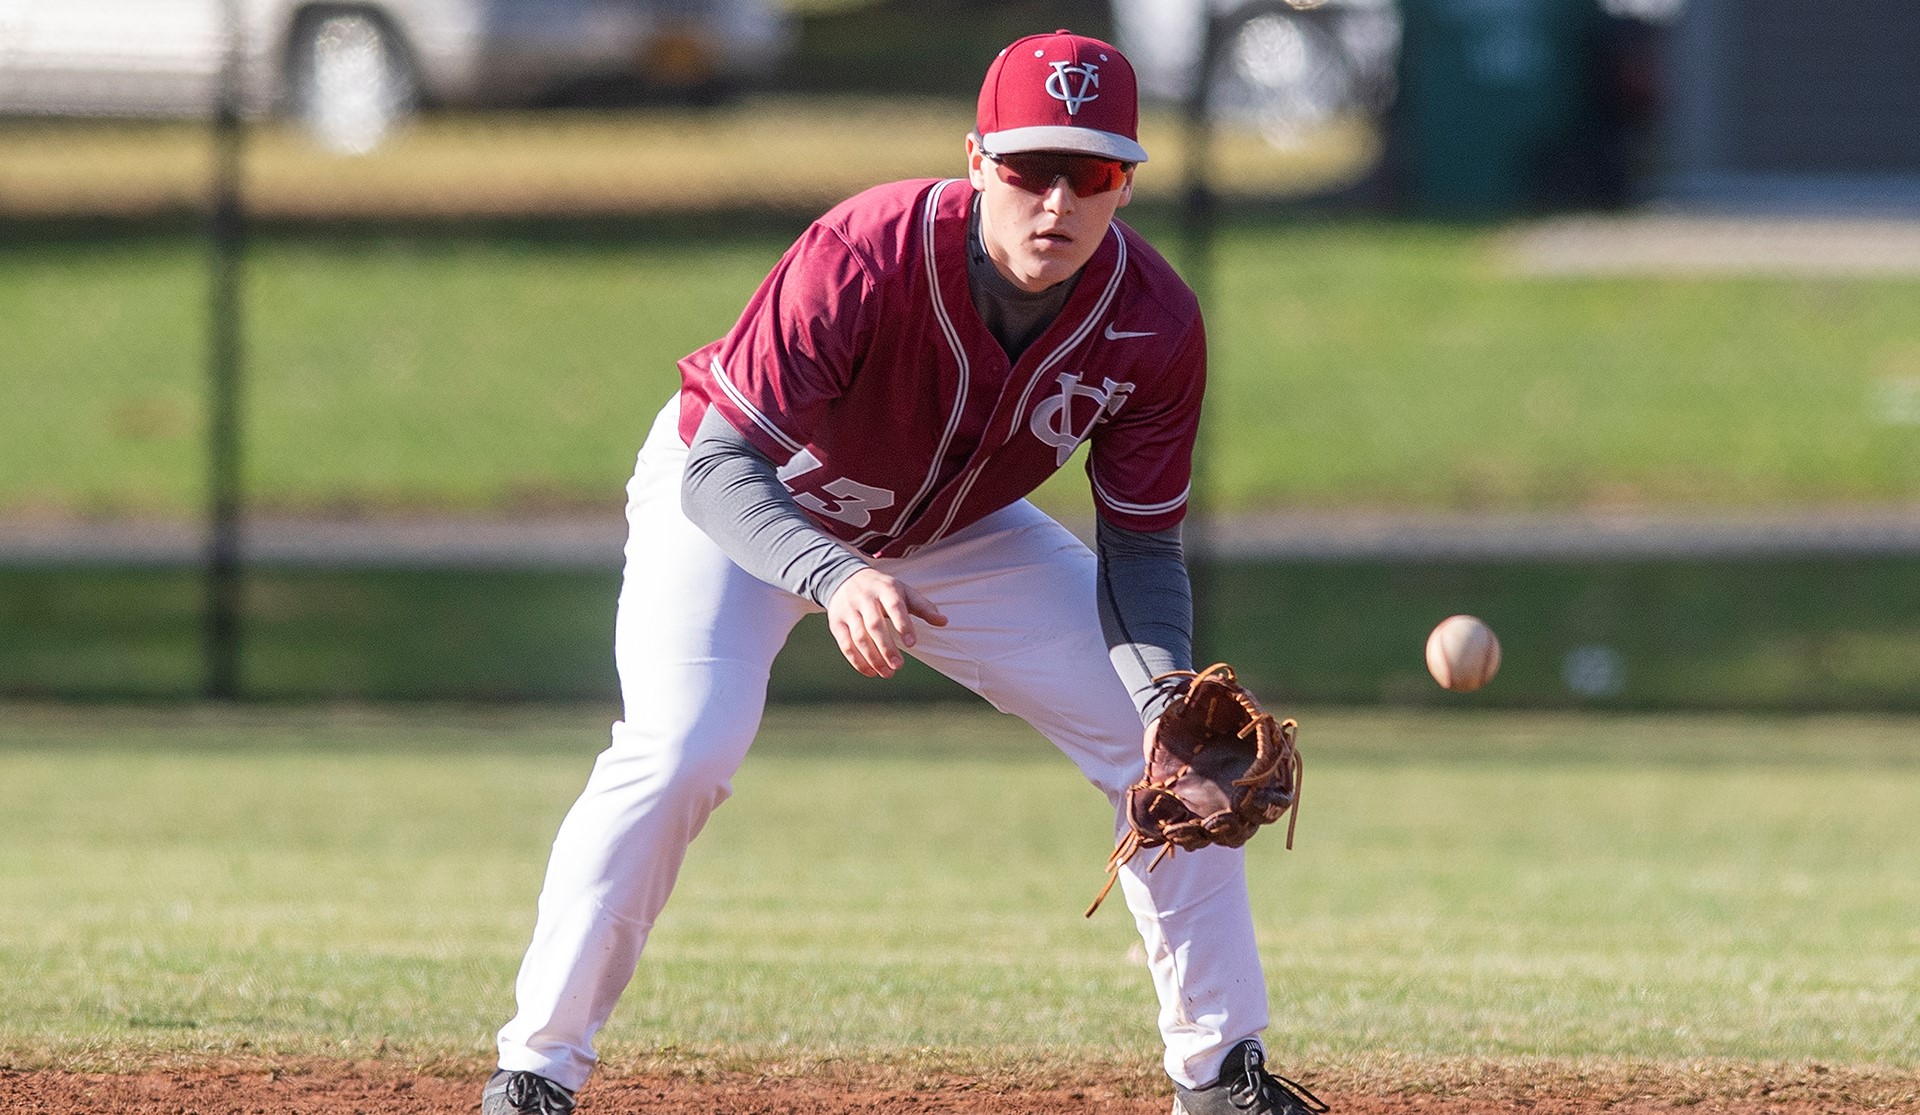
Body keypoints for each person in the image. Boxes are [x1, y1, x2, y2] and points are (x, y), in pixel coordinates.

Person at [481, 29, 1326, 1115]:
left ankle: (1218, 1076)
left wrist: (1163, 694)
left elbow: (1143, 547)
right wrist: (832, 574)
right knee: (682, 747)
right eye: (1030, 170)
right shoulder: (868, 251)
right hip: (753, 502)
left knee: (1166, 748)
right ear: (978, 162)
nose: (1057, 203)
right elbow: (718, 469)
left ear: (1126, 183)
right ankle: (535, 1070)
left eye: (1094, 173)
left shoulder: (1152, 323)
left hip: (954, 529)